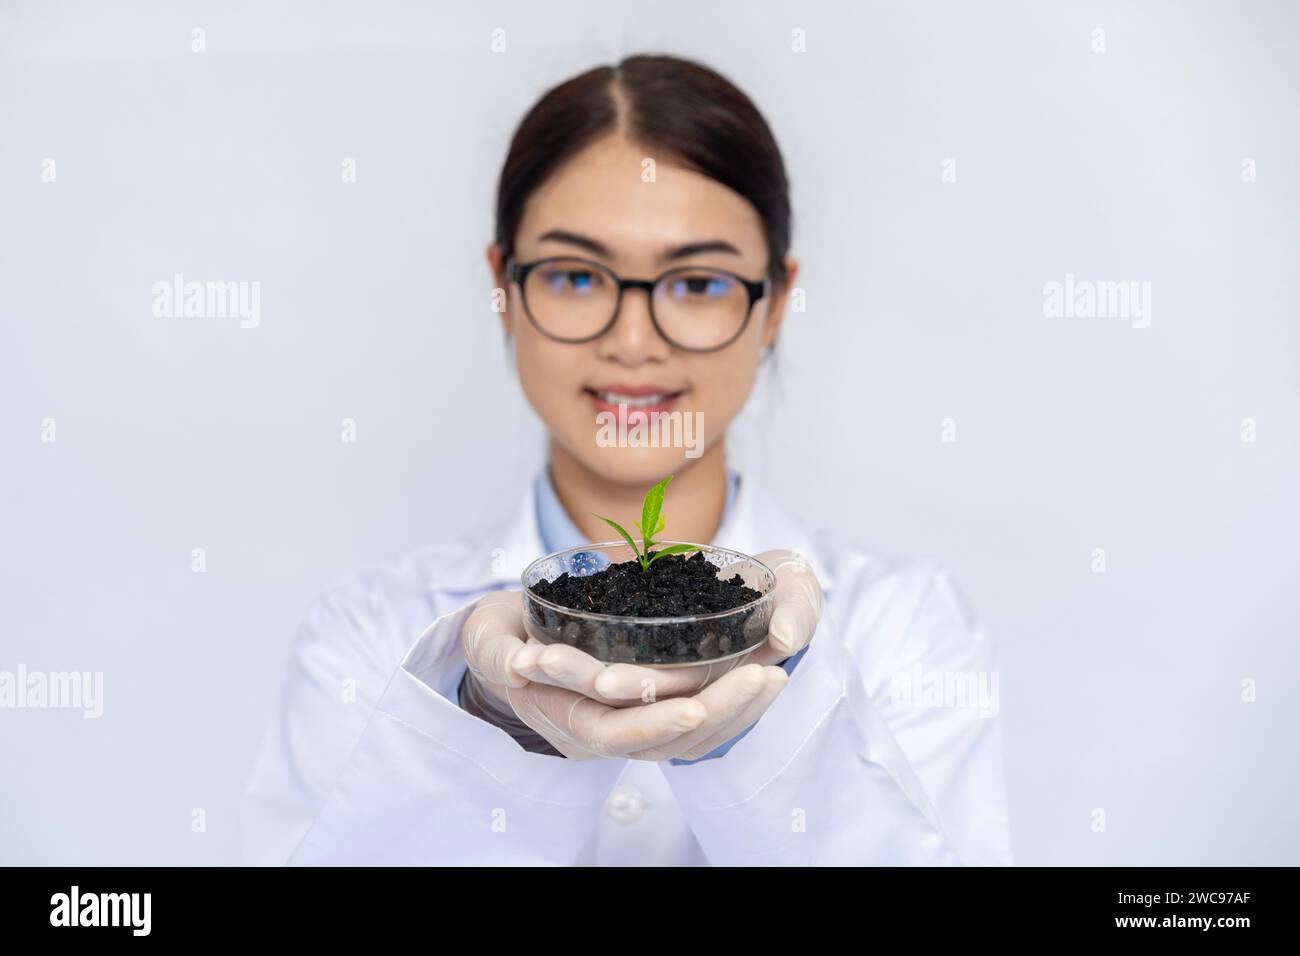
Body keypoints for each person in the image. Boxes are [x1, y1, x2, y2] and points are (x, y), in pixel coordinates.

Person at [240, 53, 1013, 866]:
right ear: (504, 286)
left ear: (776, 301)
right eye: (576, 275)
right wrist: (491, 721)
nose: (633, 342)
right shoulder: (363, 633)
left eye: (698, 283)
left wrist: (758, 738)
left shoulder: (910, 628)